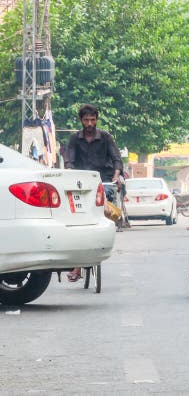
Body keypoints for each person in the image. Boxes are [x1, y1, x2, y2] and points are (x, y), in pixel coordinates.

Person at [64, 104, 123, 282]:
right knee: (75, 220)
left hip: (103, 181)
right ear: (81, 121)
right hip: (81, 183)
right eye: (86, 120)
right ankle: (77, 265)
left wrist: (116, 175)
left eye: (92, 119)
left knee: (106, 209)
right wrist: (69, 171)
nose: (89, 123)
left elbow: (116, 159)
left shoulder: (105, 137)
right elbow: (69, 160)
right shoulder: (74, 139)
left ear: (96, 120)